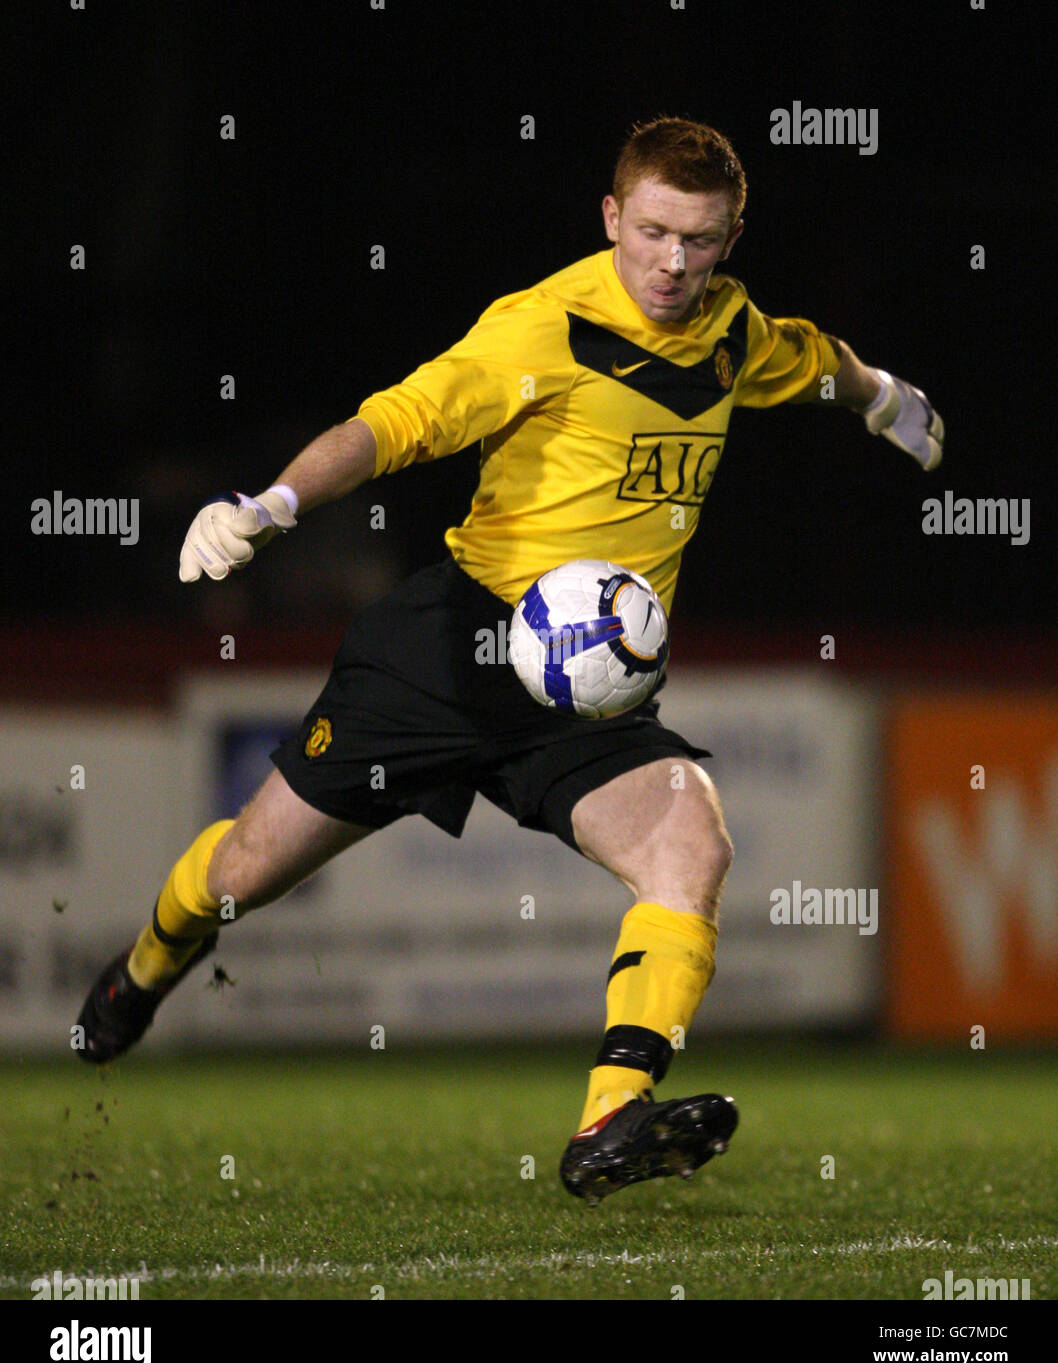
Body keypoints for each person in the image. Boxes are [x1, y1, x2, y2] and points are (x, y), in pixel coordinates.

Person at [76, 117, 943, 1205]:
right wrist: (271, 504)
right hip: (446, 652)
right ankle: (145, 969)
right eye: (655, 234)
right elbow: (388, 425)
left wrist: (883, 399)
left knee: (690, 844)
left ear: (729, 238)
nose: (674, 264)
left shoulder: (731, 328)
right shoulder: (540, 329)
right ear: (612, 217)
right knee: (247, 872)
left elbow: (814, 364)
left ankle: (608, 1117)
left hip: (587, 685)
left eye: (702, 240)